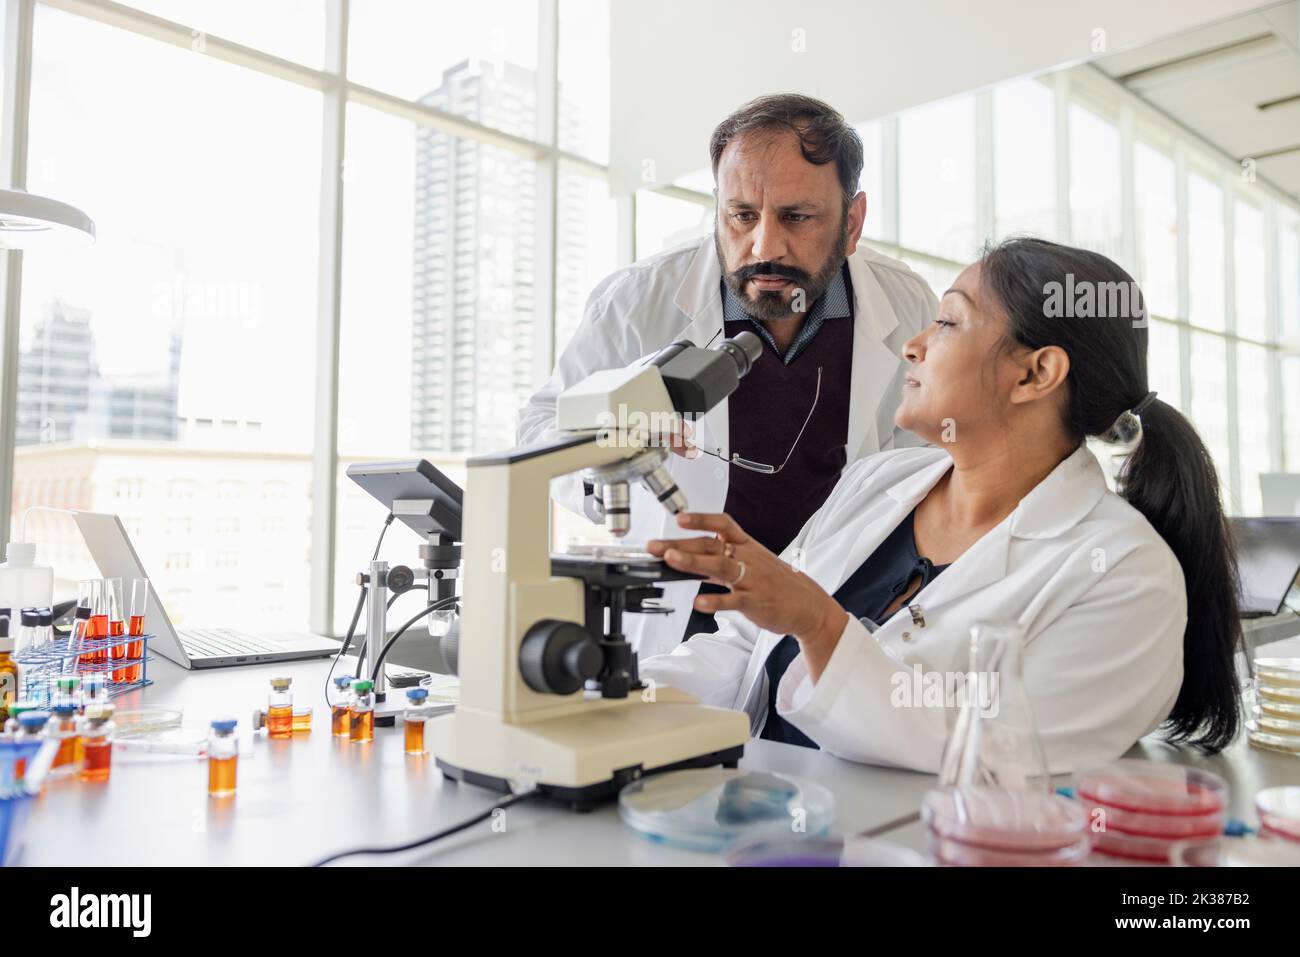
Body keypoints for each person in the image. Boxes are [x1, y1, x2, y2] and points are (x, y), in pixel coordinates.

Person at [640, 237, 1242, 774]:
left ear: (1036, 373)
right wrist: (622, 702)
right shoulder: (879, 482)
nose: (913, 345)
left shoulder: (1126, 575)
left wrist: (819, 624)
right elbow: (743, 649)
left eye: (949, 323)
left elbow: (990, 746)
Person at [518, 94, 937, 659]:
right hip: (688, 611)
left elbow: (928, 459)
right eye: (741, 215)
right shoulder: (638, 301)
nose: (765, 247)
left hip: (839, 608)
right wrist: (610, 460)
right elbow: (541, 427)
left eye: (797, 217)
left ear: (852, 221)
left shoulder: (904, 301)